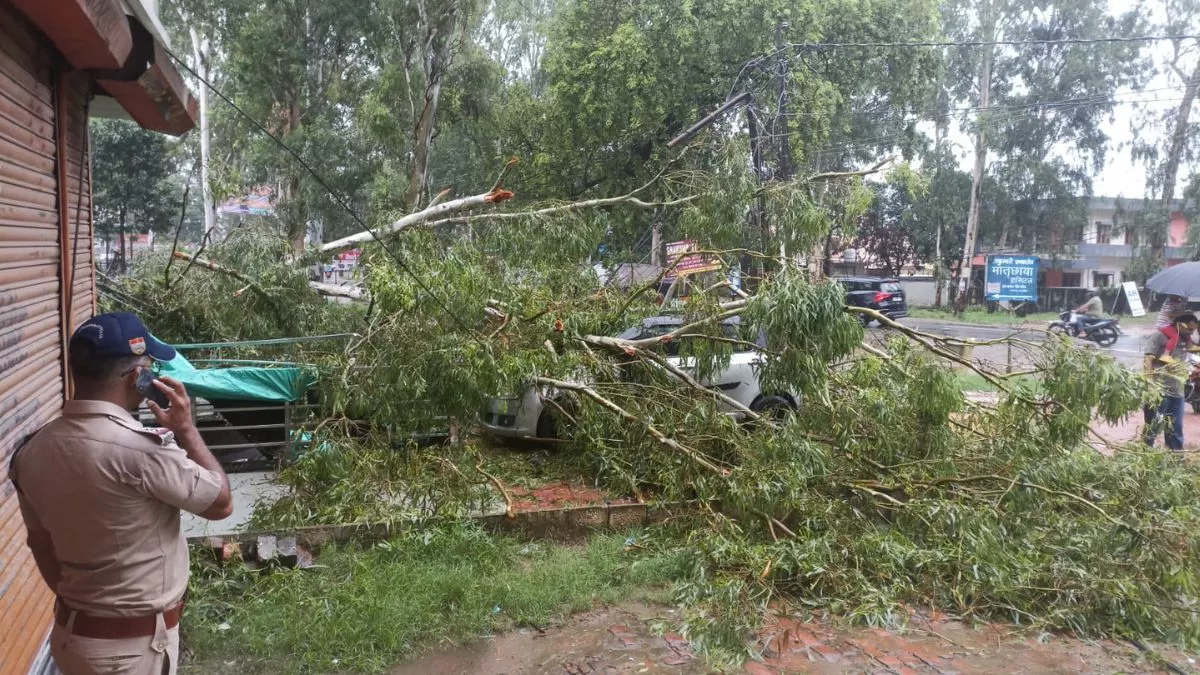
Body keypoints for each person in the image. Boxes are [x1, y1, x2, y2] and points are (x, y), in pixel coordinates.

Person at [8, 312, 233, 675]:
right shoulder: (140, 452)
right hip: (130, 653)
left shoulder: (31, 451)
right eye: (149, 366)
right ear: (137, 377)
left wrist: (85, 607)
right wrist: (186, 429)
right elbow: (221, 502)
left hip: (71, 638)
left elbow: (40, 544)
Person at [1144, 312, 1200, 451]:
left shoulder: (1185, 339)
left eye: (1194, 330)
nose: (1191, 333)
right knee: (1153, 427)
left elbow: (1196, 350)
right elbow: (1148, 360)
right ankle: (1144, 454)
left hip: (1177, 392)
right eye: (1190, 329)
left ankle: (1175, 459)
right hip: (1159, 391)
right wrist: (1150, 385)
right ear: (1180, 324)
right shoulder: (1159, 336)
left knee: (1175, 429)